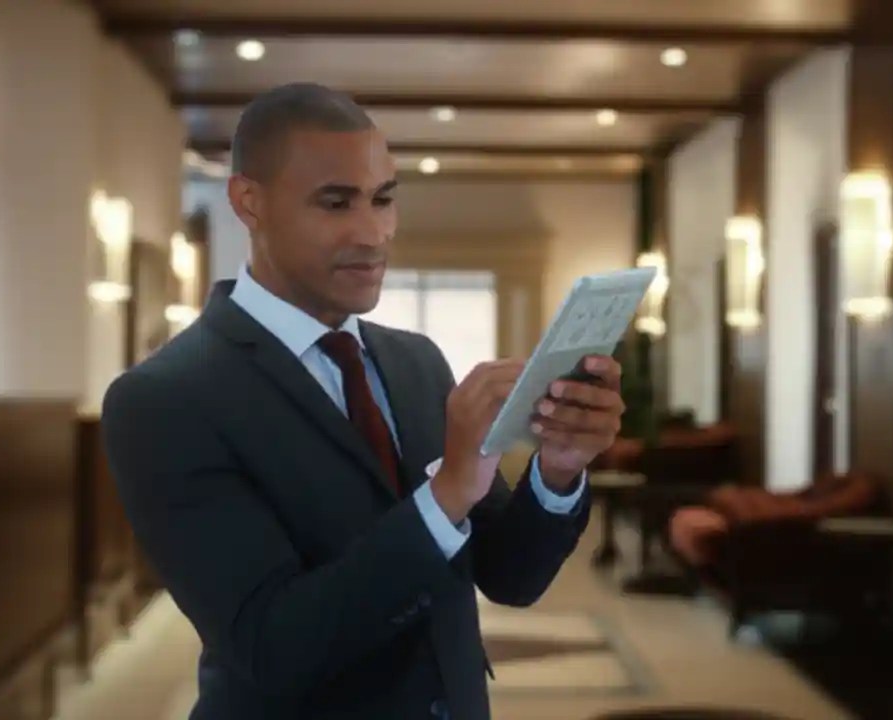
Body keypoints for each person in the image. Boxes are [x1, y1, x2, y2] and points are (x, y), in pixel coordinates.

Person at [100, 82, 626, 720]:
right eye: (335, 202)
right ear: (248, 202)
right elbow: (271, 645)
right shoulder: (162, 400)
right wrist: (446, 495)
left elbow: (509, 577)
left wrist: (559, 469)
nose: (373, 233)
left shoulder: (416, 361)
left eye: (383, 200)